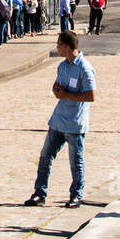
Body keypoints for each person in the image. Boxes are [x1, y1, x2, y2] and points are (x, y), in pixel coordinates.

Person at [25, 30, 96, 208]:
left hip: (74, 123)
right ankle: (39, 193)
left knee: (75, 161)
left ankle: (76, 196)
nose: (57, 47)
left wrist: (67, 95)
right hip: (58, 119)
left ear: (66, 45)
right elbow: (57, 86)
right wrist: (57, 91)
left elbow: (91, 95)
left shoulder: (84, 68)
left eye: (58, 44)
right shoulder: (62, 66)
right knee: (45, 156)